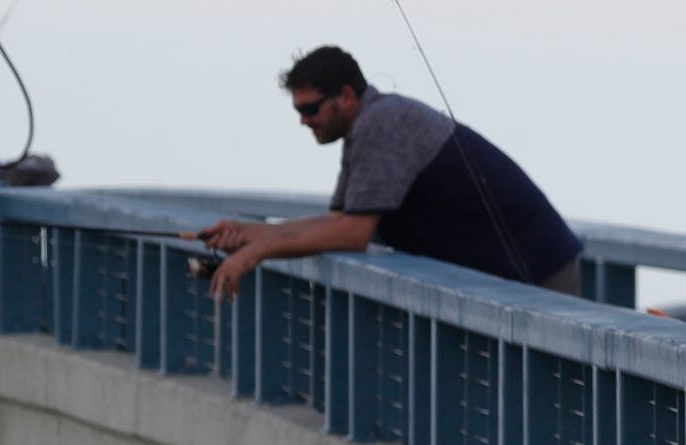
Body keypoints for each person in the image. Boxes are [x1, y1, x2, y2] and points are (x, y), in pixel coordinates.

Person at [199, 46, 582, 299]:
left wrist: (256, 253)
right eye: (298, 111)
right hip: (504, 276)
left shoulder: (382, 124)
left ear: (346, 96)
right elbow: (338, 221)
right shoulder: (365, 125)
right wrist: (250, 232)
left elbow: (353, 234)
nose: (304, 121)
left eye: (312, 109)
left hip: (537, 271)